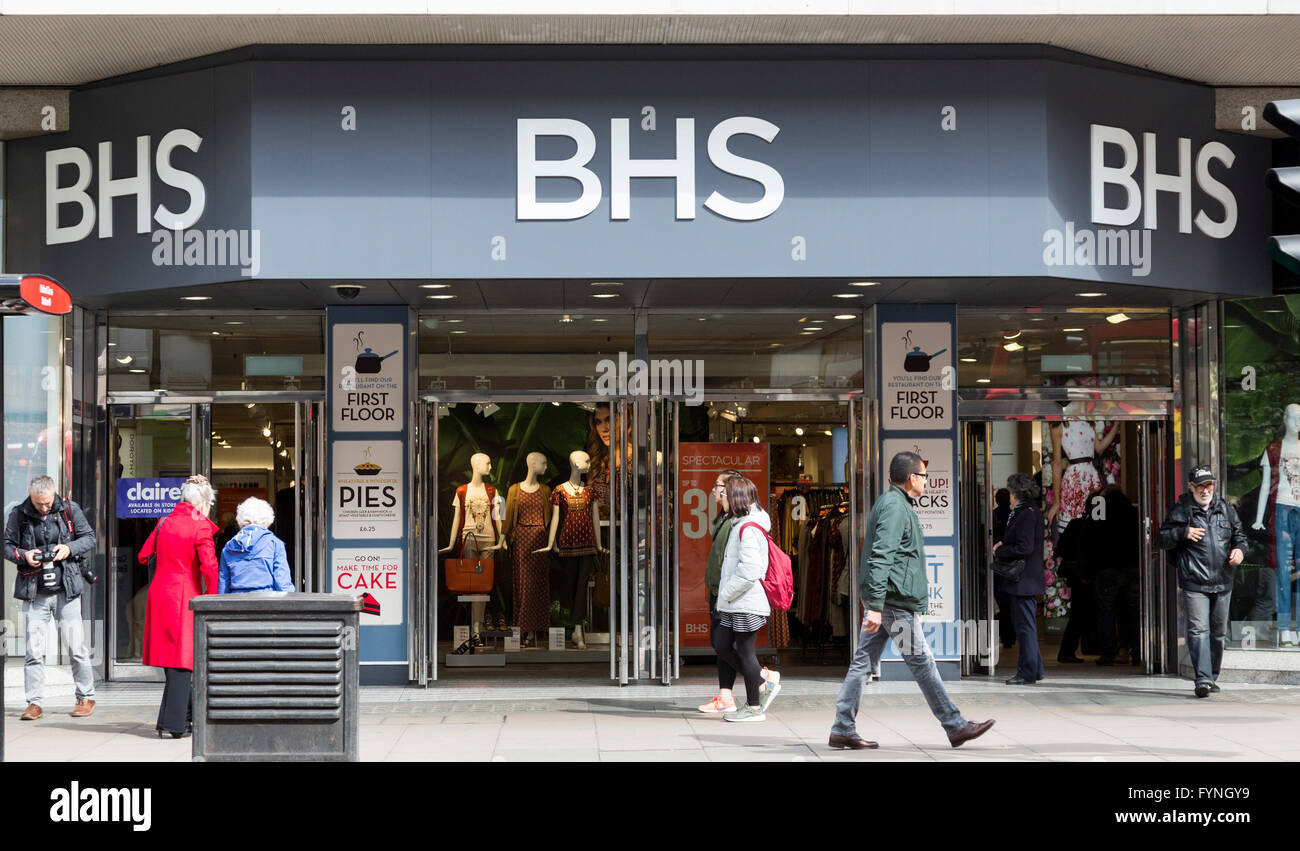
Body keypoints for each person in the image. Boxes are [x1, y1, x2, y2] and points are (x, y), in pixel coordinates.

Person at [829, 451, 995, 750]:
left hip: (889, 600)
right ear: (912, 478)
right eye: (924, 475)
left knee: (863, 663)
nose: (927, 481)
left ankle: (842, 726)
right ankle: (955, 725)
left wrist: (875, 605)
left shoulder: (896, 503)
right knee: (923, 663)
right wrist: (876, 606)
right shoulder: (894, 507)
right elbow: (881, 556)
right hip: (893, 603)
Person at [6, 475, 97, 720]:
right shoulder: (19, 514)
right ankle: (34, 703)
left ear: (54, 494)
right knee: (34, 652)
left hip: (66, 590)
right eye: (39, 504)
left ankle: (85, 696)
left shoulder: (69, 509)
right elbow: (7, 545)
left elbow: (89, 537)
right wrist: (24, 555)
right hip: (34, 591)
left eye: (47, 503)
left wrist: (69, 548)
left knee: (76, 647)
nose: (44, 507)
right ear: (30, 495)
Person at [139, 474, 219, 738]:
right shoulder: (201, 526)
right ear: (203, 503)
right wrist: (214, 594)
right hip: (184, 596)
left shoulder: (163, 522)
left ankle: (176, 721)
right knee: (183, 662)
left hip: (160, 593)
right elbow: (209, 565)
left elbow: (143, 555)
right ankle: (175, 724)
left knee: (174, 662)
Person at [1158, 465, 1246, 698]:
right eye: (1200, 486)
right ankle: (1203, 678)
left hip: (1223, 580)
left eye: (1209, 485)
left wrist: (1240, 550)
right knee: (1198, 630)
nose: (1205, 490)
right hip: (1194, 581)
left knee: (1218, 633)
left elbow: (1240, 537)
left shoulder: (1226, 509)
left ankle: (1211, 676)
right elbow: (1162, 538)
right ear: (1191, 487)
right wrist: (1182, 533)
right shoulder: (1181, 510)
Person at [697, 470, 778, 714]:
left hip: (741, 598)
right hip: (731, 597)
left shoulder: (746, 526)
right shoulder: (731, 520)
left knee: (740, 650)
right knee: (726, 645)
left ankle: (756, 698)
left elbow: (748, 568)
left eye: (721, 487)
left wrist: (725, 592)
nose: (716, 491)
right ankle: (753, 690)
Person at [994, 473, 1046, 685]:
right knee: (1027, 626)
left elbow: (1024, 547)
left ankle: (1027, 673)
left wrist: (1001, 550)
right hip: (1025, 580)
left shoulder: (1026, 514)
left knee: (1025, 628)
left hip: (1023, 580)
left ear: (1015, 492)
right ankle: (1036, 669)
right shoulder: (1028, 512)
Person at [1093, 486, 1141, 666]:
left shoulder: (1101, 513)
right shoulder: (1133, 512)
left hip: (1107, 567)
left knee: (1106, 612)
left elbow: (1093, 538)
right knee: (1133, 612)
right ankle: (1137, 652)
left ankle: (1107, 654)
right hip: (1131, 567)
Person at [218, 496, 294, 593]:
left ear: (240, 521)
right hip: (267, 603)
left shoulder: (229, 546)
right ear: (267, 521)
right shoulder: (275, 544)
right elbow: (283, 584)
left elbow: (223, 586)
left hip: (236, 602)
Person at [991, 488, 1016, 650]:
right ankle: (1010, 637)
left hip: (997, 560)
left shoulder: (993, 515)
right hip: (1011, 561)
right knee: (1010, 600)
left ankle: (1003, 635)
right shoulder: (1013, 516)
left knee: (1000, 600)